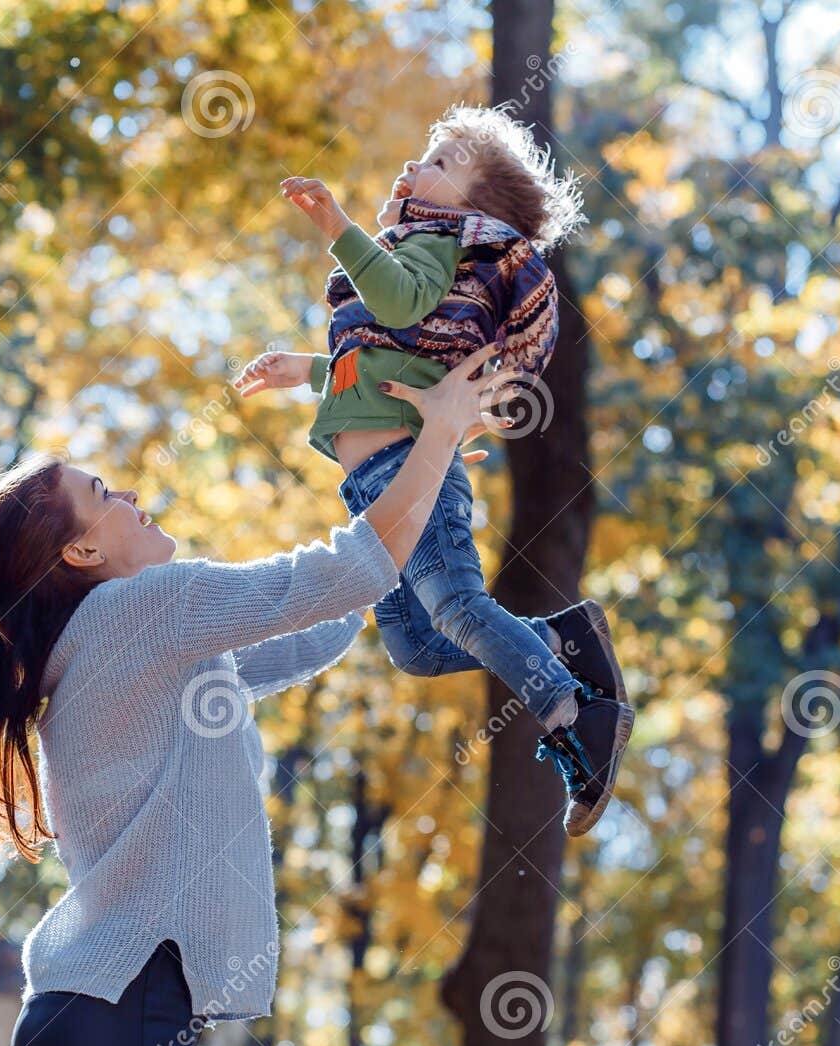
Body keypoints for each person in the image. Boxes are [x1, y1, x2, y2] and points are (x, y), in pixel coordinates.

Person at [0, 346, 519, 1046]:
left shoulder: (108, 652)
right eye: (102, 492)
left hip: (99, 1008)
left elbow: (324, 623)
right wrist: (433, 440)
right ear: (80, 551)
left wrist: (415, 489)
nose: (129, 496)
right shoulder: (142, 610)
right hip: (123, 1007)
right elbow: (338, 575)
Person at [234, 103, 630, 837]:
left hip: (405, 469)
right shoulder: (425, 247)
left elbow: (399, 298)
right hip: (375, 480)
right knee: (416, 647)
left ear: (471, 212)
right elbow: (387, 368)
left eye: (442, 163)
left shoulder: (432, 247)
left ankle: (573, 711)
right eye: (427, 152)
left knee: (455, 608)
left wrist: (339, 230)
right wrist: (310, 370)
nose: (418, 166)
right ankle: (559, 638)